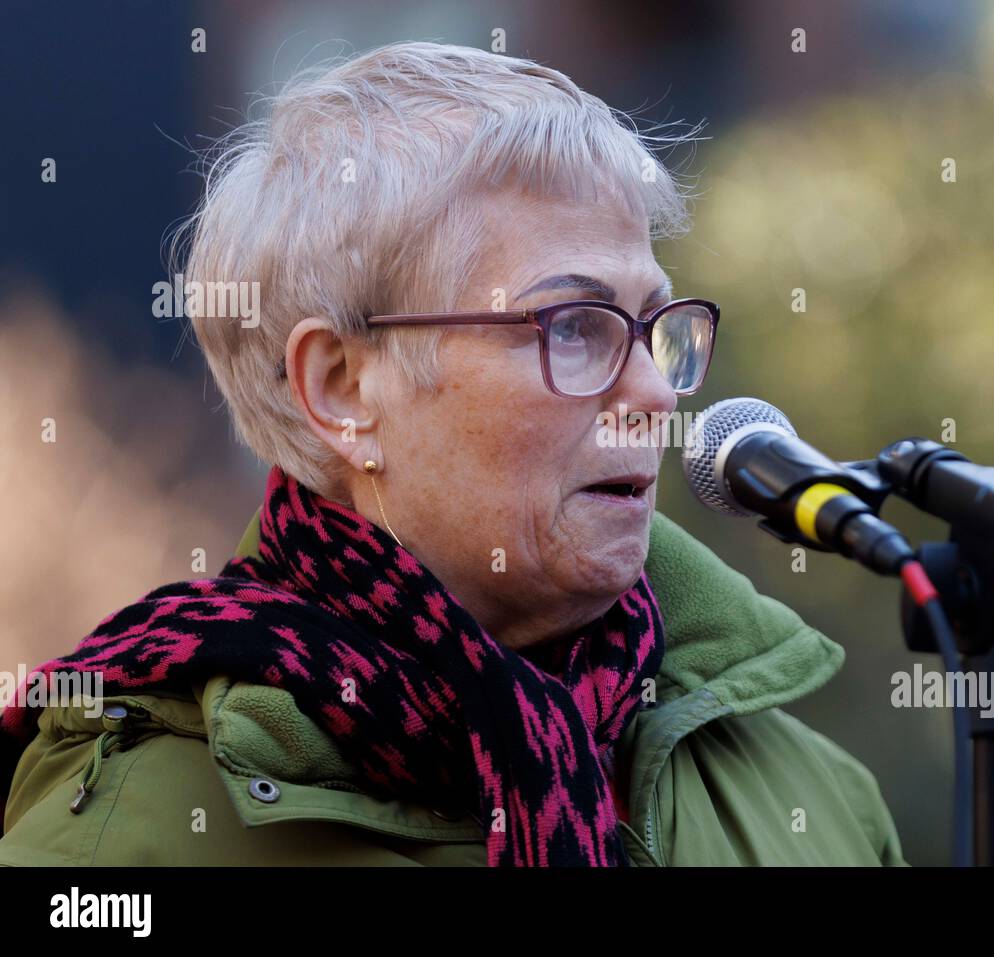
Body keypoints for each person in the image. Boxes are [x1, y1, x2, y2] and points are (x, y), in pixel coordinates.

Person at [0, 41, 903, 866]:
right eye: (575, 326)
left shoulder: (816, 794)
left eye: (655, 327)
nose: (658, 396)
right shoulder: (126, 839)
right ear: (344, 389)